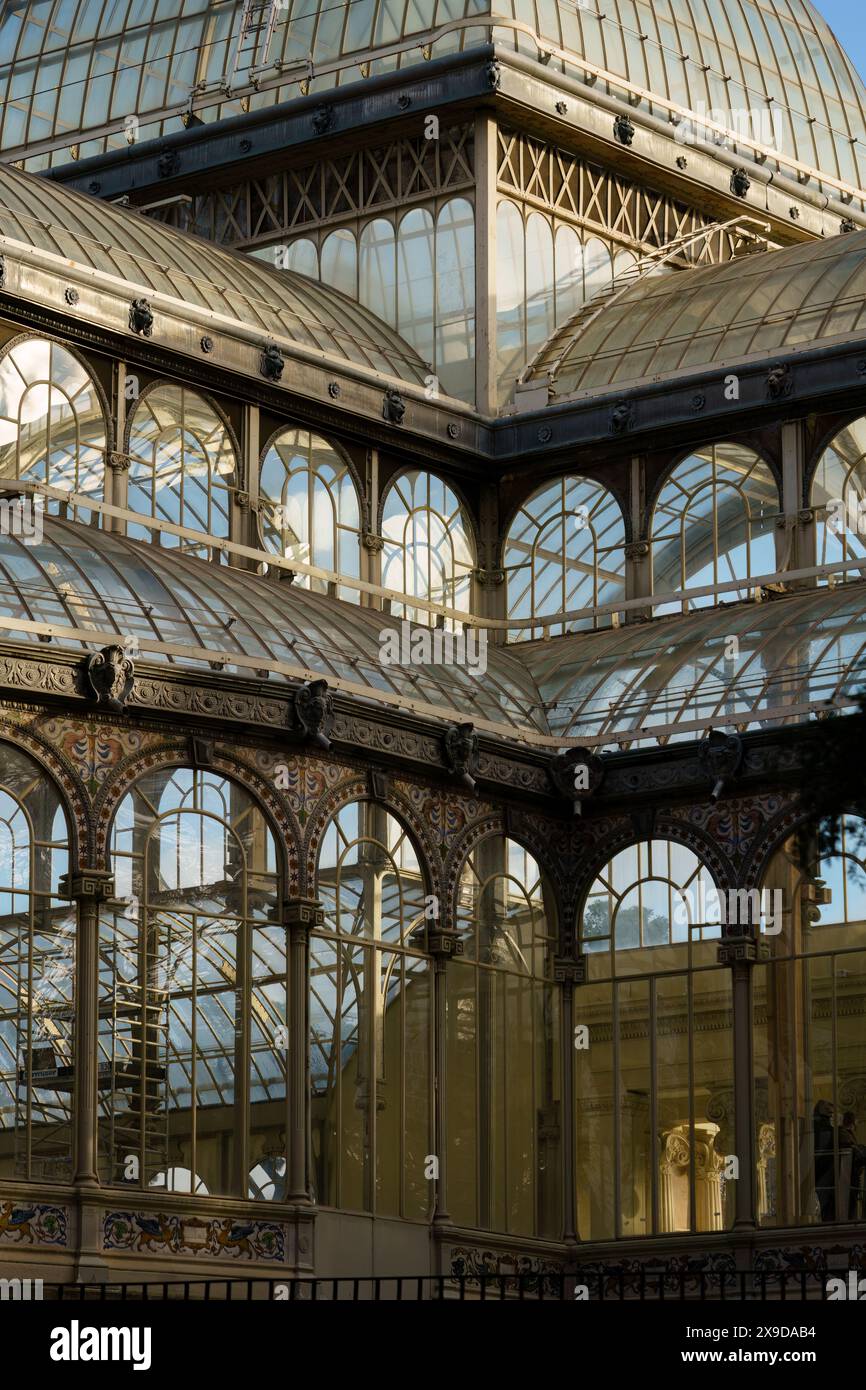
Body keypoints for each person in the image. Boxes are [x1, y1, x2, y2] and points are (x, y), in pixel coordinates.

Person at [839, 1112, 866, 1220]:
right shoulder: (844, 1133)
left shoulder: (845, 1133)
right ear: (853, 1122)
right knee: (851, 1201)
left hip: (850, 1171)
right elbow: (852, 1148)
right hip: (848, 1173)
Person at [813, 1100, 836, 1222]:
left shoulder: (819, 1124)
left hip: (822, 1166)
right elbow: (822, 1147)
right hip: (824, 1167)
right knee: (824, 1199)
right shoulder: (822, 1126)